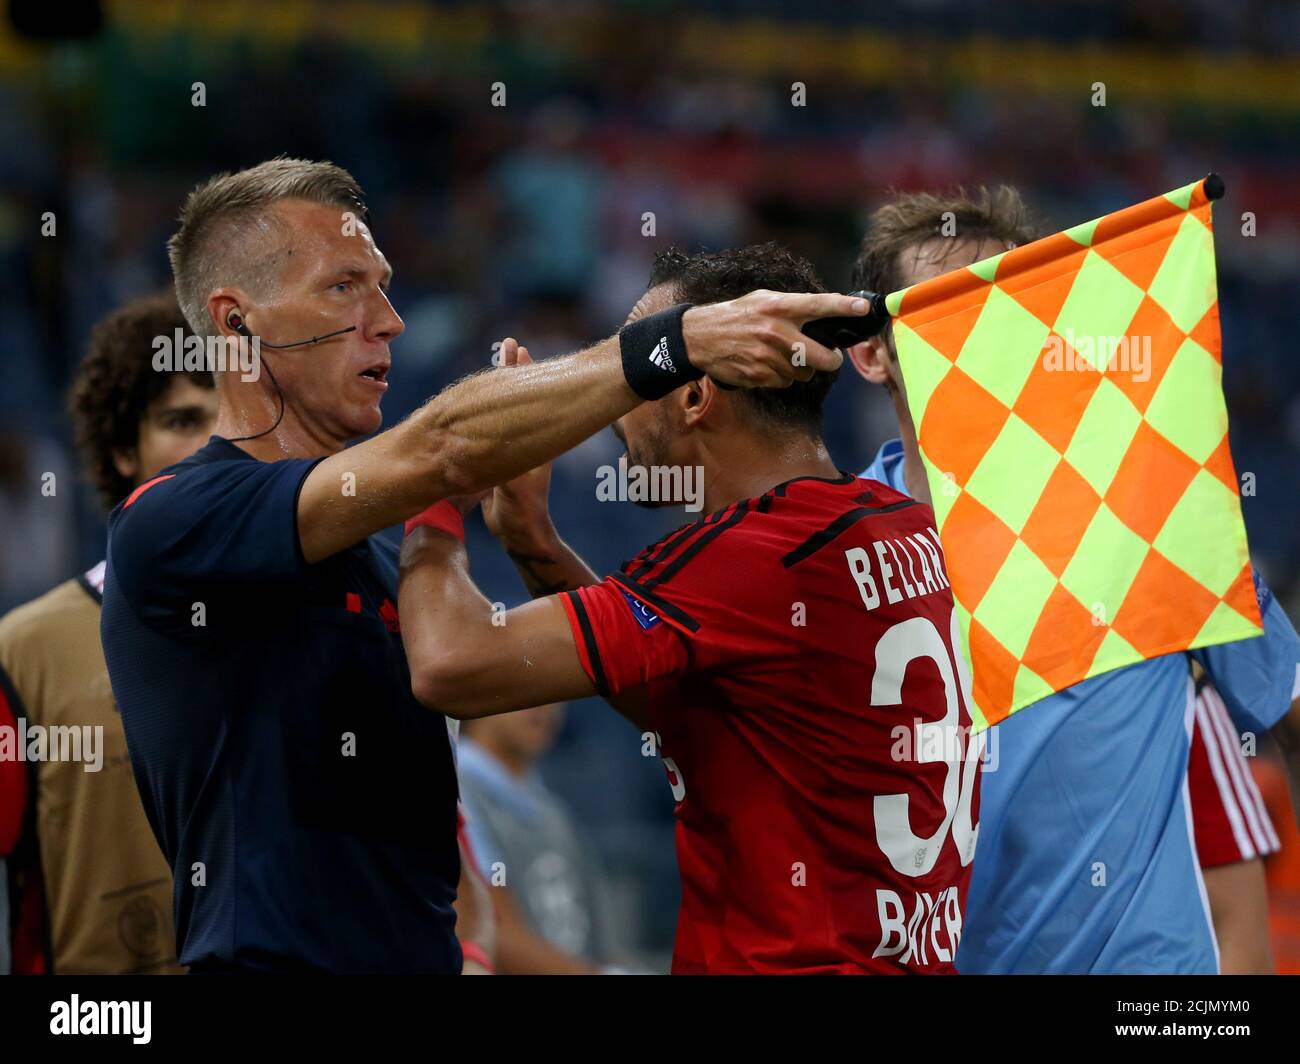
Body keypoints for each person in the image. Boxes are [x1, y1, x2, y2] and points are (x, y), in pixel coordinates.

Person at [99, 158, 861, 974]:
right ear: (237, 325)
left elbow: (630, 696)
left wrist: (525, 541)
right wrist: (677, 343)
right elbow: (444, 445)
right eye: (343, 288)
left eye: (384, 286)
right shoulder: (171, 521)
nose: (387, 319)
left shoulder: (395, 567)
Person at [399, 243, 981, 974]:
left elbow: (450, 665)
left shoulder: (751, 557)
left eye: (637, 366)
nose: (612, 407)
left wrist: (431, 494)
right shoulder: (906, 528)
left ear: (694, 396)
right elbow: (700, 707)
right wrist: (534, 544)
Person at [846, 186, 1300, 974]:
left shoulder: (1149, 512)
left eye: (999, 308)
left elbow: (1287, 705)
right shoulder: (835, 556)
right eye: (937, 308)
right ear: (871, 352)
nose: (974, 335)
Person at [0, 292, 216, 974]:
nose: (212, 449)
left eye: (231, 423)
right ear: (124, 448)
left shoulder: (319, 624)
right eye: (183, 421)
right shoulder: (23, 654)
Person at [458, 703, 621, 974]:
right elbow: (491, 934)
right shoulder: (460, 791)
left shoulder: (554, 810)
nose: (541, 707)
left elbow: (605, 948)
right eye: (519, 687)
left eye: (551, 694)